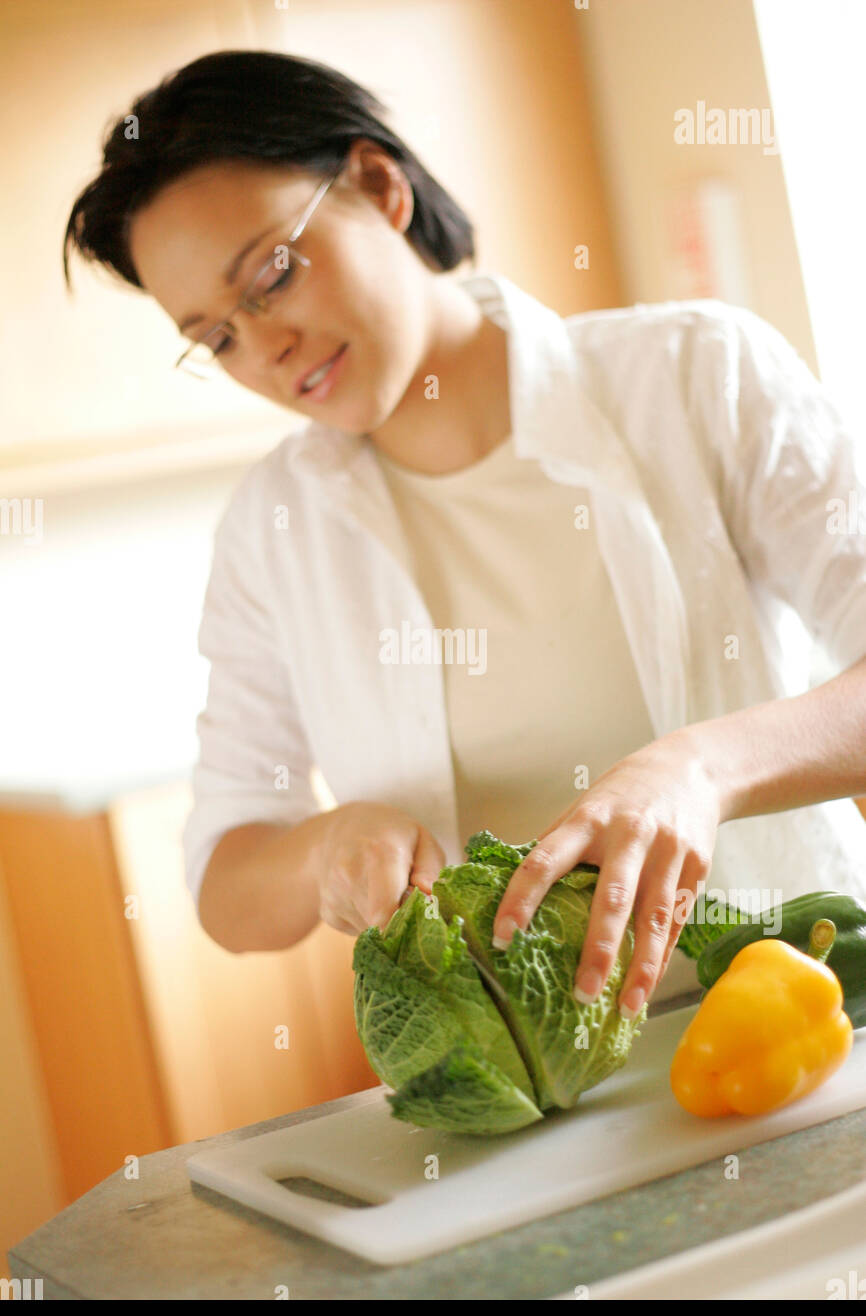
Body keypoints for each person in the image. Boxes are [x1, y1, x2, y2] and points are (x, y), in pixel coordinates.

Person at [63, 49, 866, 1022]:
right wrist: (322, 853)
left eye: (270, 273)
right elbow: (228, 876)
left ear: (376, 183)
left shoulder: (693, 373)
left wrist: (703, 767)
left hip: (795, 1020)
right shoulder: (273, 531)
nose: (264, 346)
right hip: (510, 1090)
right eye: (217, 336)